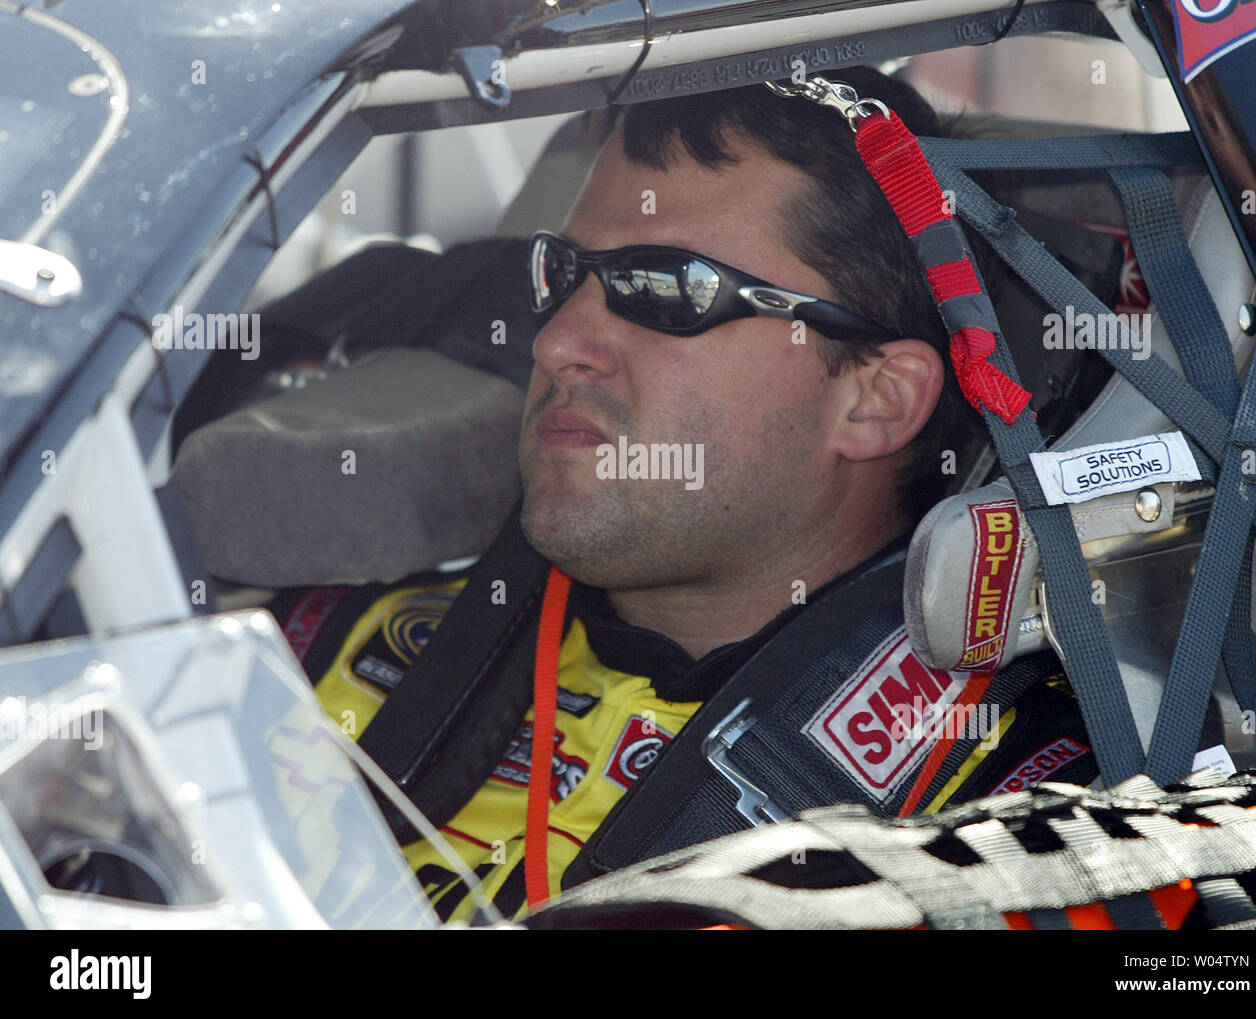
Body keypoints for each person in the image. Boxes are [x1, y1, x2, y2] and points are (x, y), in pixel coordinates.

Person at [273, 66, 1097, 922]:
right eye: (563, 275)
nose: (558, 343)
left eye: (664, 287)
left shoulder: (1015, 823)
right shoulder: (316, 654)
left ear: (874, 397)